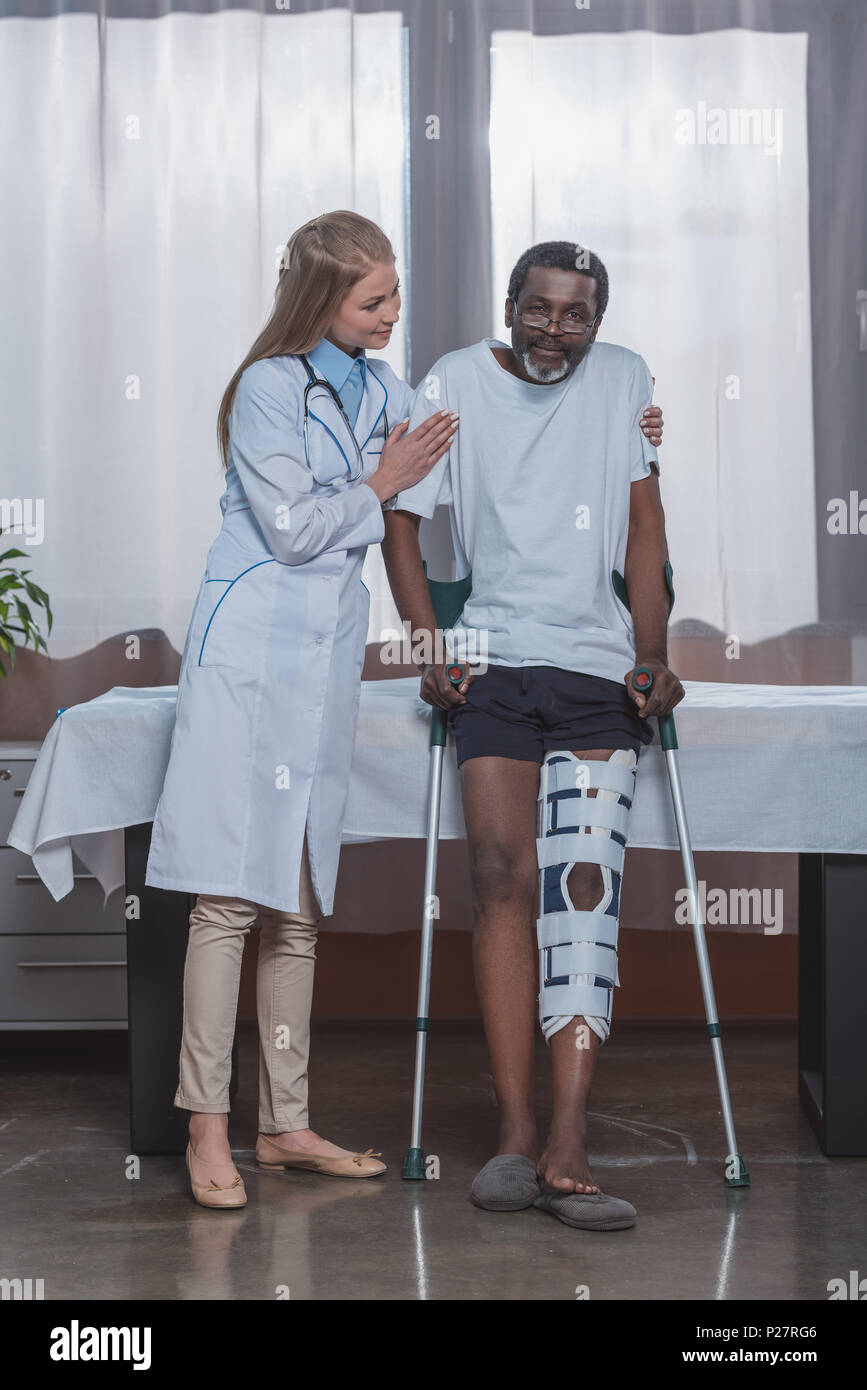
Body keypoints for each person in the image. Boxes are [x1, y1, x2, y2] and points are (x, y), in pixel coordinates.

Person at [144, 211, 458, 1208]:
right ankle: (207, 1124)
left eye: (395, 294)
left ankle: (284, 1122)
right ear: (321, 300)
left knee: (298, 897)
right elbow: (288, 529)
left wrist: (635, 430)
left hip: (321, 658)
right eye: (374, 301)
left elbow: (467, 438)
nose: (391, 314)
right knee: (228, 895)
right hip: (250, 652)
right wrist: (381, 481)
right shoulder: (269, 389)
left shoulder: (381, 386)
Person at [382, 240, 683, 1232]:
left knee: (583, 889)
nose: (558, 326)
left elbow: (644, 527)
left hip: (598, 674)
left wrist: (651, 651)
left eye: (578, 312)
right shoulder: (455, 381)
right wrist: (433, 646)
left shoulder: (626, 380)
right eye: (540, 306)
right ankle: (514, 1132)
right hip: (497, 669)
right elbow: (400, 521)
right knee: (502, 881)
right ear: (509, 303)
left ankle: (570, 1135)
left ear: (598, 319)